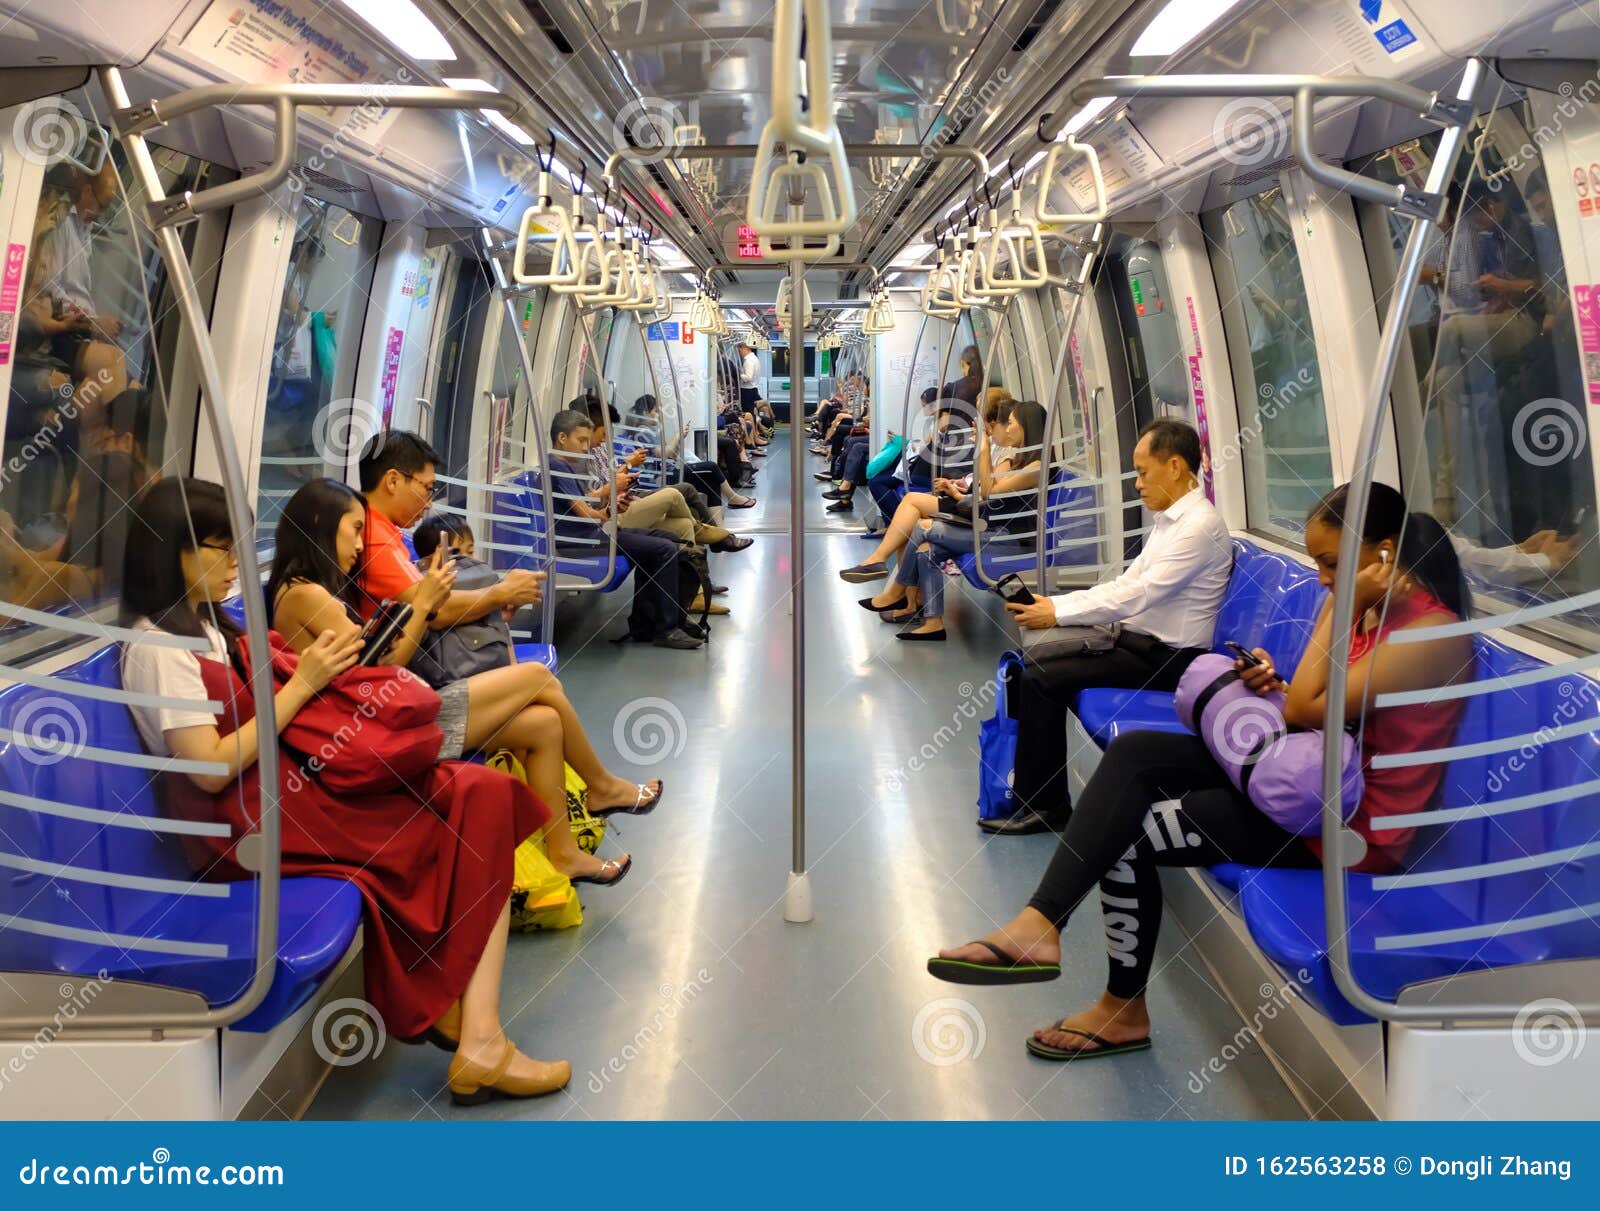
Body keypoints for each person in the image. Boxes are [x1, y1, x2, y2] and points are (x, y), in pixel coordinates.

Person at [928, 482, 1471, 1063]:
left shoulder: (1428, 636)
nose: (1322, 579)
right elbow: (1329, 713)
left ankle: (1121, 1009)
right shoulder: (1374, 613)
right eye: (1318, 564)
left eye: (1332, 564)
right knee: (1136, 753)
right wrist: (1278, 676)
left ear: (1384, 555)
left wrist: (1336, 612)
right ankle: (1040, 922)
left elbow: (1307, 711)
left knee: (1131, 835)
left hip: (1349, 828)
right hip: (1311, 783)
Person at [120, 478, 570, 1101]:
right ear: (167, 555)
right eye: (219, 552)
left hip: (281, 794)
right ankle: (476, 1035)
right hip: (247, 822)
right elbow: (210, 768)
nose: (233, 567)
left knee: (479, 794)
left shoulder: (205, 625)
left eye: (236, 550)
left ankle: (473, 1027)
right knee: (470, 804)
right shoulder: (157, 650)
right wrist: (302, 683)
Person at [272, 476, 652, 886]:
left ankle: (564, 853)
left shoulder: (315, 591)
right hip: (372, 733)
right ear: (319, 524)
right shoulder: (305, 595)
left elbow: (370, 663)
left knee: (544, 725)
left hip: (377, 719)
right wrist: (423, 603)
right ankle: (601, 787)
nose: (361, 545)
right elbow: (382, 670)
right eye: (355, 531)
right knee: (538, 677)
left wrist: (418, 607)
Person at [982, 418, 1232, 835]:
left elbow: (1138, 596)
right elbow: (1127, 585)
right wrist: (1054, 604)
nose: (1137, 483)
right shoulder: (1171, 522)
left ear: (1174, 467)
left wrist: (1057, 614)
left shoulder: (1199, 528)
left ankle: (1045, 806)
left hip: (1171, 663)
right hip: (1138, 645)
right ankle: (1037, 797)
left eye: (1142, 472)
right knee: (1031, 662)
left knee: (1042, 678)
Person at [880, 399, 1048, 641]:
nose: (1007, 428)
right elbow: (986, 491)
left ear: (1027, 427)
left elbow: (989, 491)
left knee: (922, 526)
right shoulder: (1019, 461)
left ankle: (898, 589)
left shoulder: (1036, 466)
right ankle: (933, 622)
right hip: (994, 528)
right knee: (928, 549)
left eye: (1011, 423)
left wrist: (983, 448)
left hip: (1010, 539)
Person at [549, 409, 704, 650]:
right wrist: (611, 507)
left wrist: (612, 507)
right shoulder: (557, 468)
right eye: (580, 441)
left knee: (669, 538)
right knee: (663, 548)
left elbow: (591, 511)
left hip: (591, 535)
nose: (584, 447)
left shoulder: (566, 466)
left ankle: (649, 622)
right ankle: (666, 629)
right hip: (581, 543)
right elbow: (589, 516)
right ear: (561, 438)